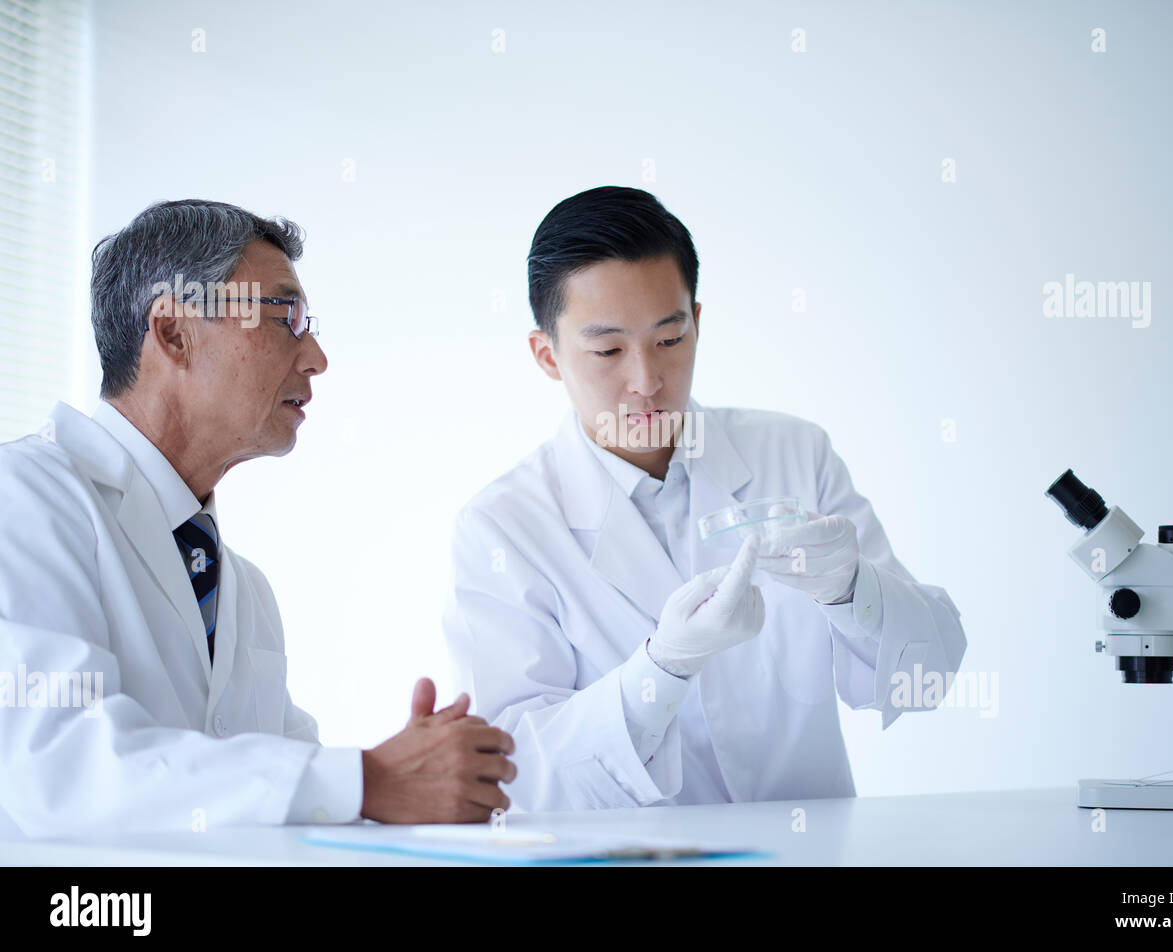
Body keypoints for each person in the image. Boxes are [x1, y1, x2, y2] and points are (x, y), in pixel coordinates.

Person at [0, 200, 514, 839]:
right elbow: (58, 769)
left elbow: (293, 804)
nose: (317, 357)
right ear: (174, 333)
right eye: (284, 317)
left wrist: (417, 781)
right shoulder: (23, 495)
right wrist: (368, 781)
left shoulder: (241, 589)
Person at [443, 186, 967, 812]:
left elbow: (923, 681)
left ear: (698, 322)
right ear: (547, 355)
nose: (647, 382)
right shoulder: (502, 529)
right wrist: (661, 669)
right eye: (608, 350)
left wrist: (855, 592)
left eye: (669, 339)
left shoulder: (795, 455)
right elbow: (518, 773)